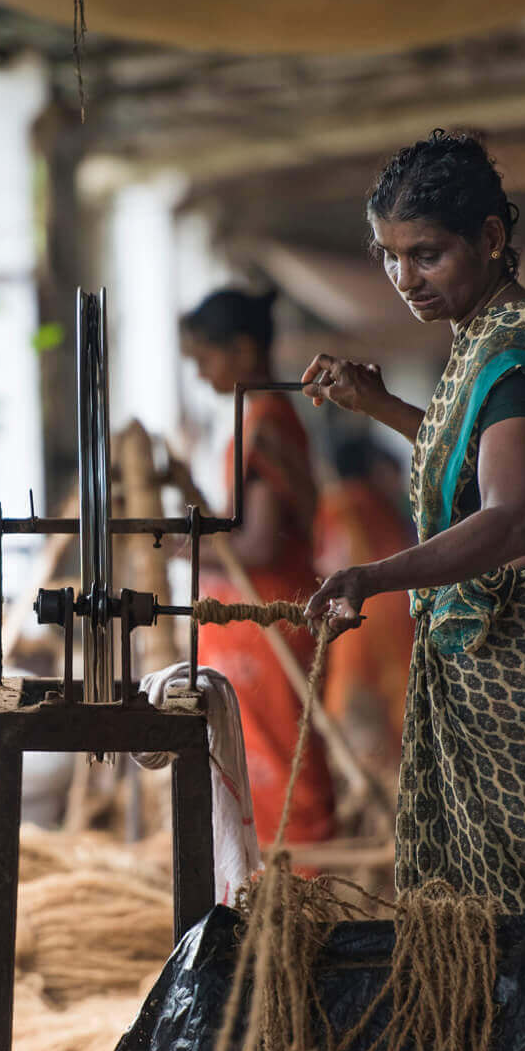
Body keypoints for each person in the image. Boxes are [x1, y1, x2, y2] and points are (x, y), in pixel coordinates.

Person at [300, 130, 525, 912]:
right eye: (388, 256)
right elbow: (484, 468)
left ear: (489, 238)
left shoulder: (513, 361)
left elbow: (510, 520)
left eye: (426, 255)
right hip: (513, 638)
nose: (403, 278)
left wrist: (371, 576)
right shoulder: (500, 341)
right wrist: (376, 405)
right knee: (502, 906)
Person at [179, 287, 338, 847]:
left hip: (266, 620)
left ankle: (301, 892)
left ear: (244, 352)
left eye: (206, 358)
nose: (200, 374)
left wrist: (184, 542)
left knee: (279, 770)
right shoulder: (270, 417)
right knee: (276, 761)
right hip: (278, 615)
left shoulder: (265, 424)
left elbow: (260, 544)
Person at [314, 436, 419, 785]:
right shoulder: (381, 505)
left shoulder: (339, 506)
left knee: (364, 729)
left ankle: (377, 800)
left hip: (360, 627)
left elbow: (329, 563)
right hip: (400, 617)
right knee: (400, 716)